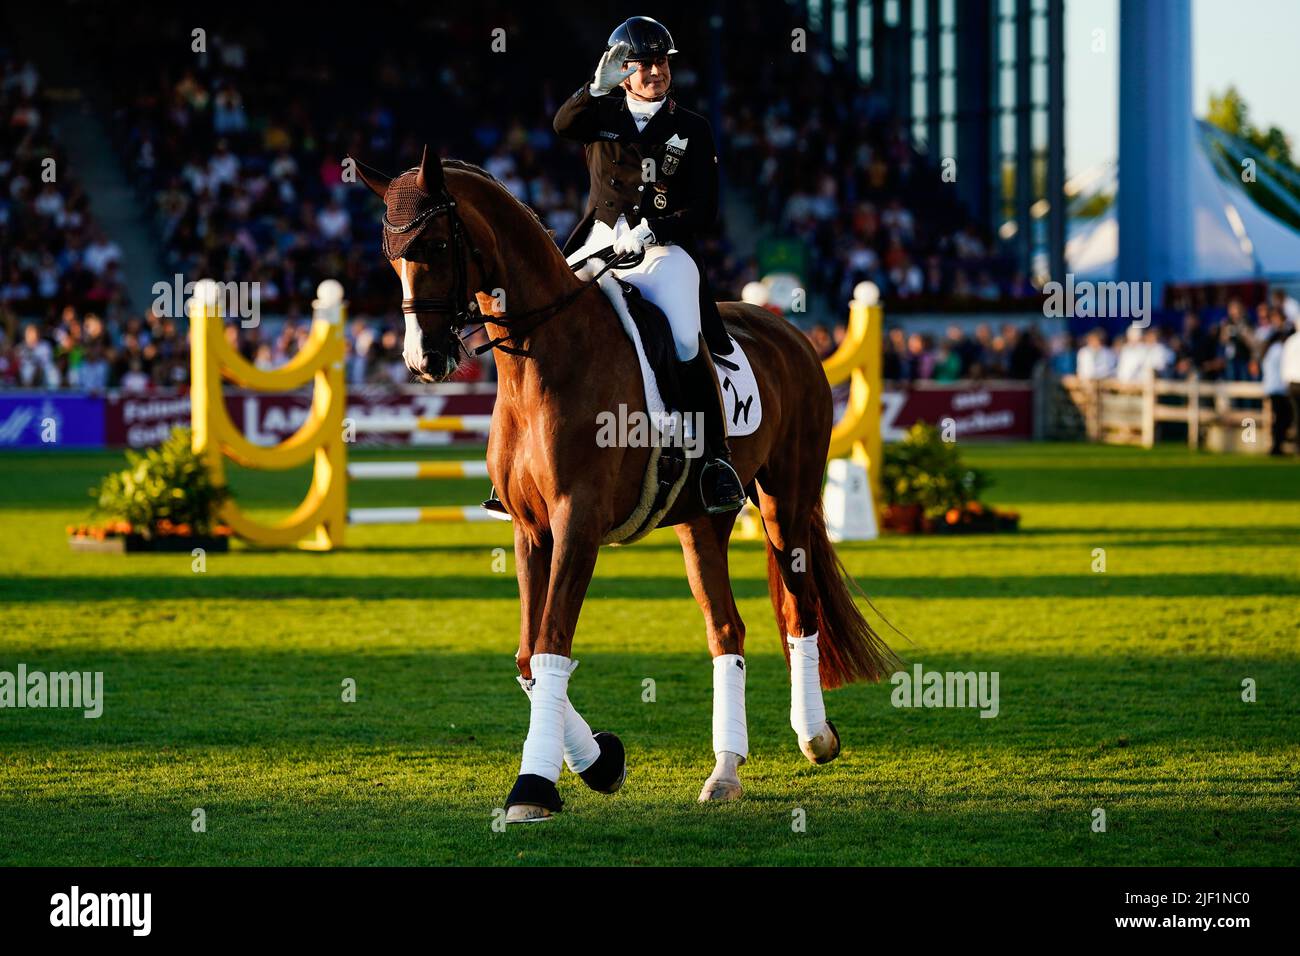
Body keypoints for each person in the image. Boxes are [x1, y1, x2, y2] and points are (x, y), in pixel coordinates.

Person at [550, 16, 743, 513]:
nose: (656, 71)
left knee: (681, 336)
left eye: (662, 62)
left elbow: (706, 211)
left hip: (662, 248)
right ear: (623, 69)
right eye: (644, 64)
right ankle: (520, 454)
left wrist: (656, 230)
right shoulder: (601, 113)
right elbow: (562, 125)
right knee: (544, 317)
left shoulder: (691, 128)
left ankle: (715, 460)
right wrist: (594, 88)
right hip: (599, 239)